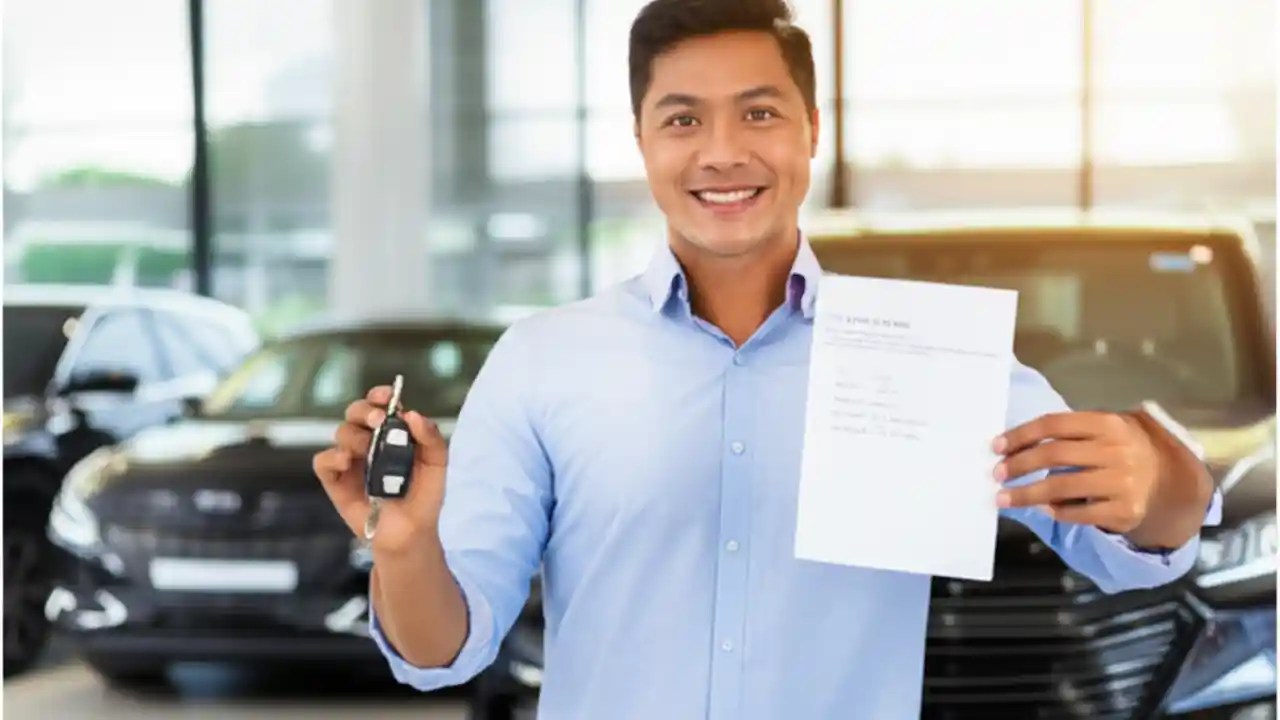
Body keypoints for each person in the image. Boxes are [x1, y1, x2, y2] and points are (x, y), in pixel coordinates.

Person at [312, 1, 1221, 717]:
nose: (722, 153)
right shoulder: (544, 362)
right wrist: (404, 547)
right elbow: (441, 654)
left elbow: (1138, 545)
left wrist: (1161, 480)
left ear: (811, 131)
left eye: (759, 112)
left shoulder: (929, 354)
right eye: (682, 120)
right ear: (640, 142)